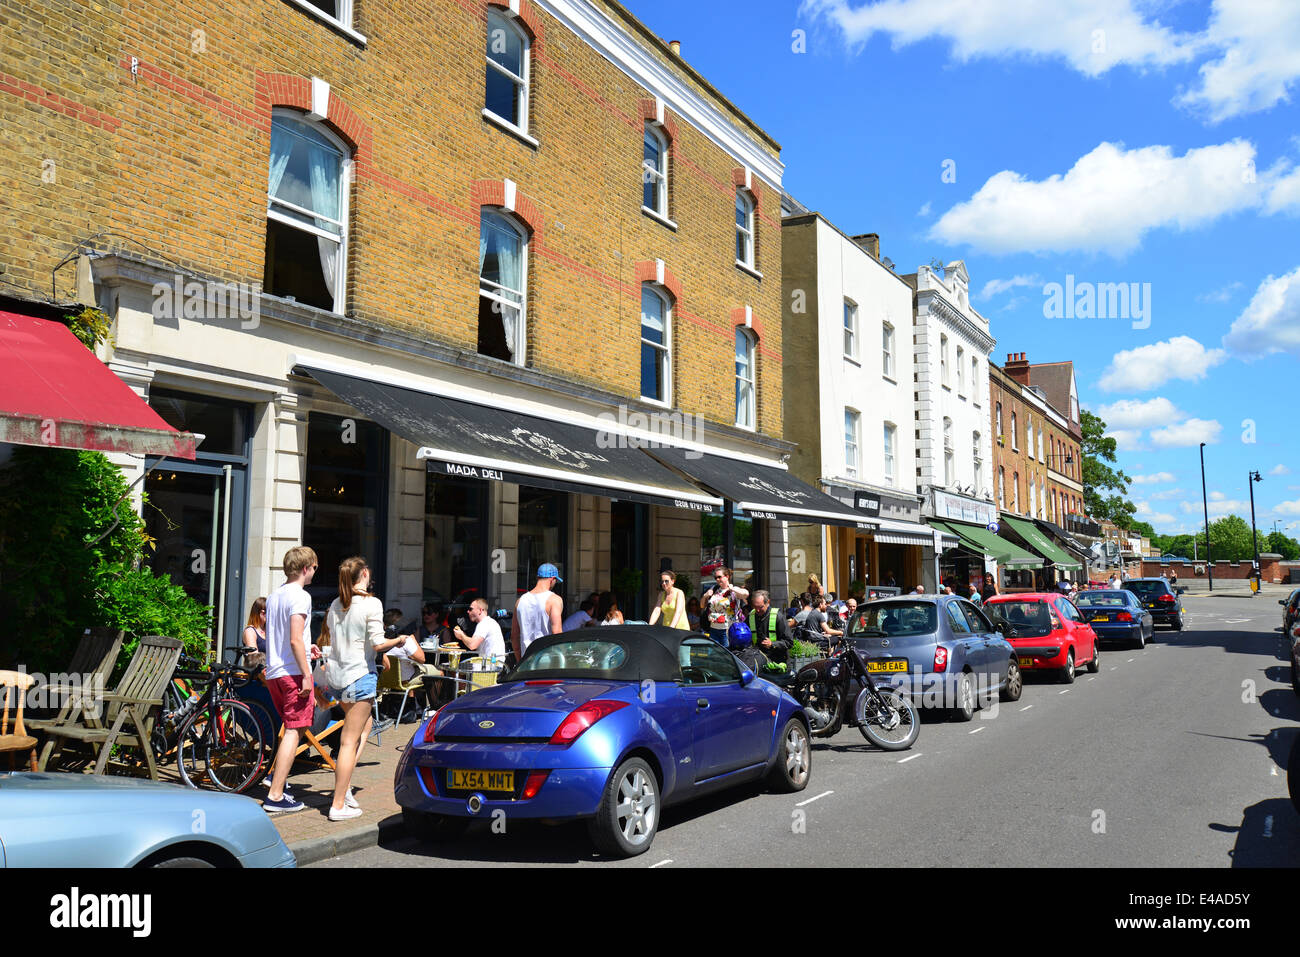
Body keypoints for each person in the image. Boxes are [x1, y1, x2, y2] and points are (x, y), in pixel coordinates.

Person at [319, 556, 384, 822]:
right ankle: (338, 803)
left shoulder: (336, 603)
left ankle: (344, 788)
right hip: (358, 677)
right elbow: (378, 643)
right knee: (348, 741)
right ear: (365, 573)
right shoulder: (372, 603)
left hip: (337, 679)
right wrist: (401, 639)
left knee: (364, 727)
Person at [263, 546, 318, 815]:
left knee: (289, 727)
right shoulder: (301, 596)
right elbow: (295, 637)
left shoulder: (274, 596)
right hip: (292, 673)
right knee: (294, 730)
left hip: (274, 670)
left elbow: (286, 637)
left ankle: (275, 782)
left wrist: (308, 650)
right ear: (306, 568)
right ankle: (275, 794)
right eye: (315, 568)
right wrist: (307, 673)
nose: (314, 574)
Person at [512, 562, 565, 660]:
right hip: (547, 660)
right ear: (552, 579)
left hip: (526, 660)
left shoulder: (520, 601)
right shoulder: (554, 600)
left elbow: (514, 636)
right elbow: (557, 633)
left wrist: (520, 661)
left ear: (538, 578)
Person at [701, 566, 749, 645]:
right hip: (713, 628)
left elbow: (746, 594)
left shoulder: (734, 590)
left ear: (727, 576)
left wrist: (732, 589)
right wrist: (705, 596)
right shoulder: (714, 589)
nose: (717, 579)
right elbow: (702, 606)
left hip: (728, 629)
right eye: (715, 577)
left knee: (727, 653)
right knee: (713, 654)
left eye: (719, 577)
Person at [747, 590, 792, 664]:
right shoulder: (751, 616)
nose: (757, 610)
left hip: (777, 662)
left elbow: (789, 642)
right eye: (755, 607)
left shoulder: (778, 617)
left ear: (768, 602)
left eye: (760, 607)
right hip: (758, 661)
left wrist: (772, 644)